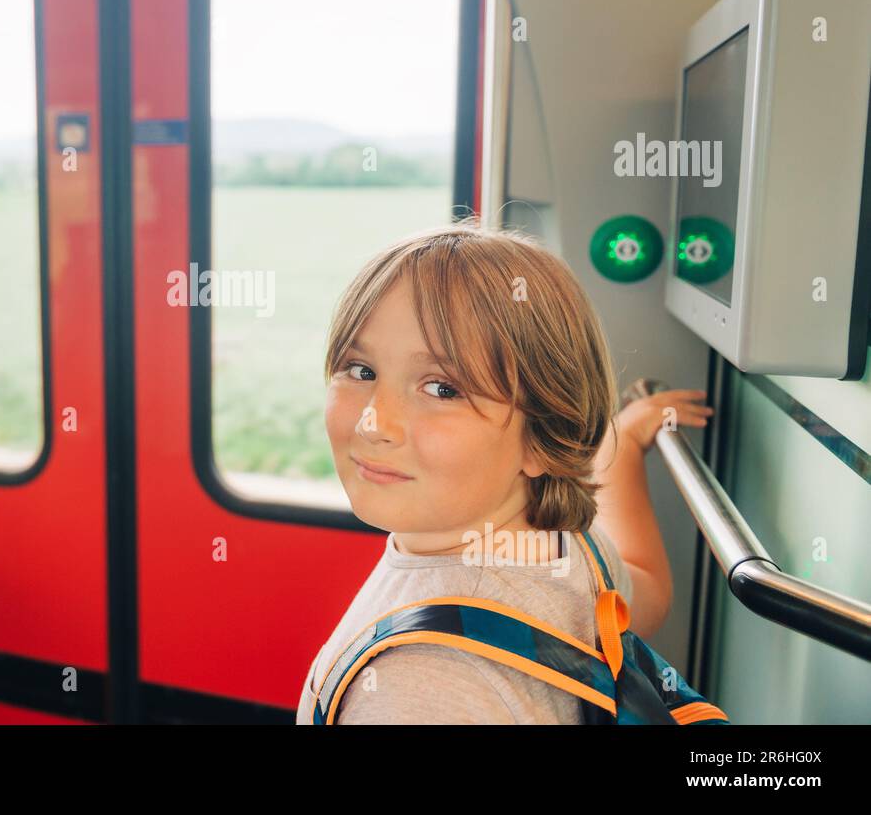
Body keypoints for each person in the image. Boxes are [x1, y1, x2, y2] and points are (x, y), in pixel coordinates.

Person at [295, 219, 712, 724]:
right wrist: (623, 448)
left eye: (442, 389)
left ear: (542, 437)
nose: (373, 422)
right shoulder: (571, 549)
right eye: (361, 371)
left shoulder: (423, 688)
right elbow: (647, 593)